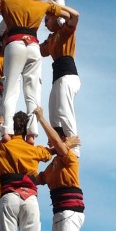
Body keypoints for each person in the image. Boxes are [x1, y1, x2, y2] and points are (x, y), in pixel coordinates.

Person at [0, 0, 77, 141]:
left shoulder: (6, 0)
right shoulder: (38, 3)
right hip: (33, 45)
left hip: (15, 43)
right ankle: (32, 134)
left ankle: (6, 132)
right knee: (32, 92)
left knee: (10, 89)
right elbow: (67, 15)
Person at [39, 8, 81, 155]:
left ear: (55, 18)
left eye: (47, 20)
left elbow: (75, 15)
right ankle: (60, 143)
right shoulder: (51, 39)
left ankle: (74, 149)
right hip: (58, 78)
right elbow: (38, 51)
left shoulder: (66, 31)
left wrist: (55, 7)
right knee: (54, 116)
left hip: (68, 76)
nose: (45, 25)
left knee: (65, 111)